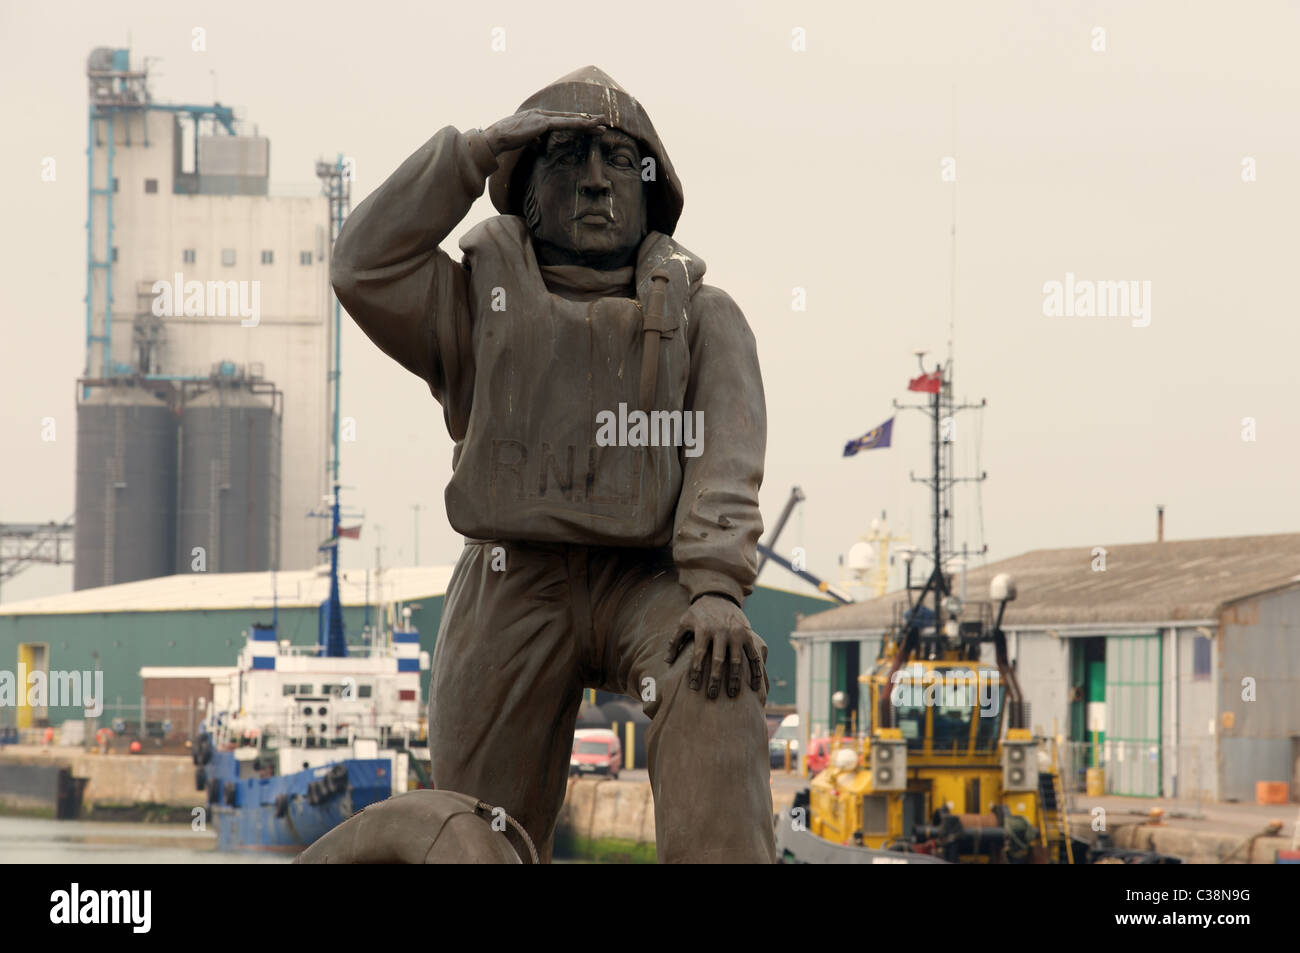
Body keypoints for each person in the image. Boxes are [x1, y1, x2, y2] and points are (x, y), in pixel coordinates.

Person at [332, 67, 773, 863]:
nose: (598, 179)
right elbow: (361, 266)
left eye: (619, 158)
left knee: (717, 668)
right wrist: (467, 156)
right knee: (472, 822)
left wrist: (714, 587)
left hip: (652, 577)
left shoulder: (705, 317)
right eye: (567, 156)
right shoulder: (470, 307)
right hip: (512, 576)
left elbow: (726, 458)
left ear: (652, 190)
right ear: (525, 187)